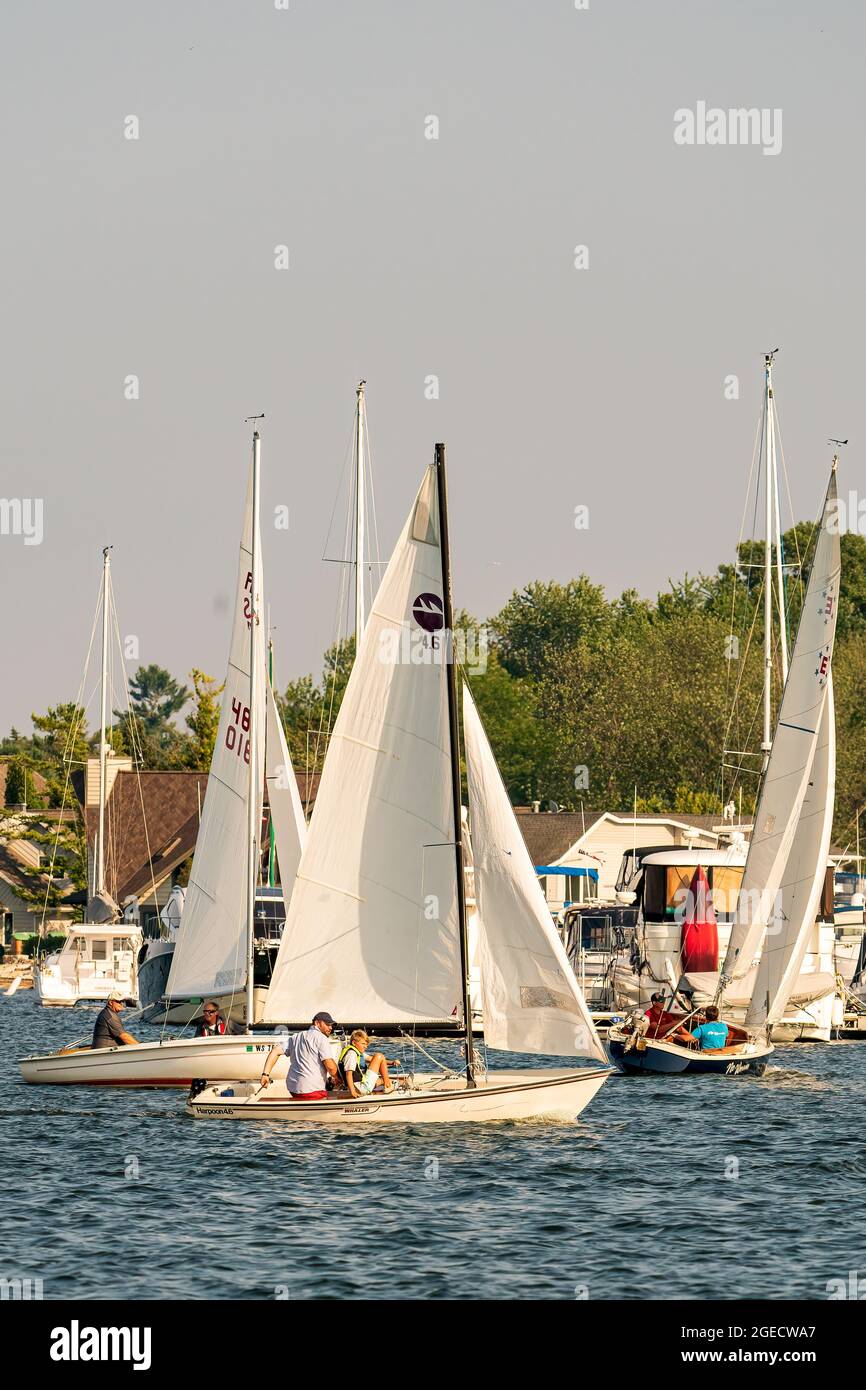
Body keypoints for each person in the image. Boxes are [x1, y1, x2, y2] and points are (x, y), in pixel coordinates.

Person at [259, 1011, 339, 1099]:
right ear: (317, 1023)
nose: (330, 1028)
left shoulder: (296, 1037)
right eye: (327, 1024)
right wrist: (338, 1078)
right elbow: (330, 1067)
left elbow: (275, 1051)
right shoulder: (321, 1038)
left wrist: (265, 1075)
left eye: (331, 1025)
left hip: (294, 1090)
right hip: (313, 1091)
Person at [337, 1030, 399, 1097]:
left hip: (360, 1085)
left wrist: (391, 1062)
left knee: (390, 1081)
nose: (366, 1046)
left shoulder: (355, 1052)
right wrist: (352, 1092)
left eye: (366, 1044)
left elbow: (370, 1058)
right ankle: (388, 1086)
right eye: (363, 1044)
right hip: (361, 1088)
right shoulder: (352, 1054)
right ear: (354, 1043)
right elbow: (348, 1074)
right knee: (379, 1055)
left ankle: (396, 1083)